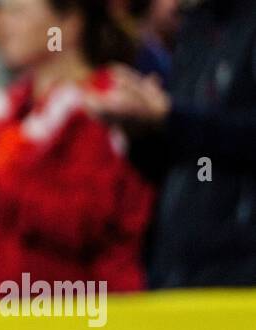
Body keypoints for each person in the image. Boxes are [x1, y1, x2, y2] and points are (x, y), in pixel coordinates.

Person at [0, 0, 155, 299]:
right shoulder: (5, 109)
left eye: (16, 11)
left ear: (68, 23)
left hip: (82, 323)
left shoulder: (108, 105)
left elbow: (83, 221)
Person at [86, 0, 256, 289]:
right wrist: (141, 130)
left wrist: (170, 116)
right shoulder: (195, 26)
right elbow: (181, 155)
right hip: (176, 270)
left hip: (240, 276)